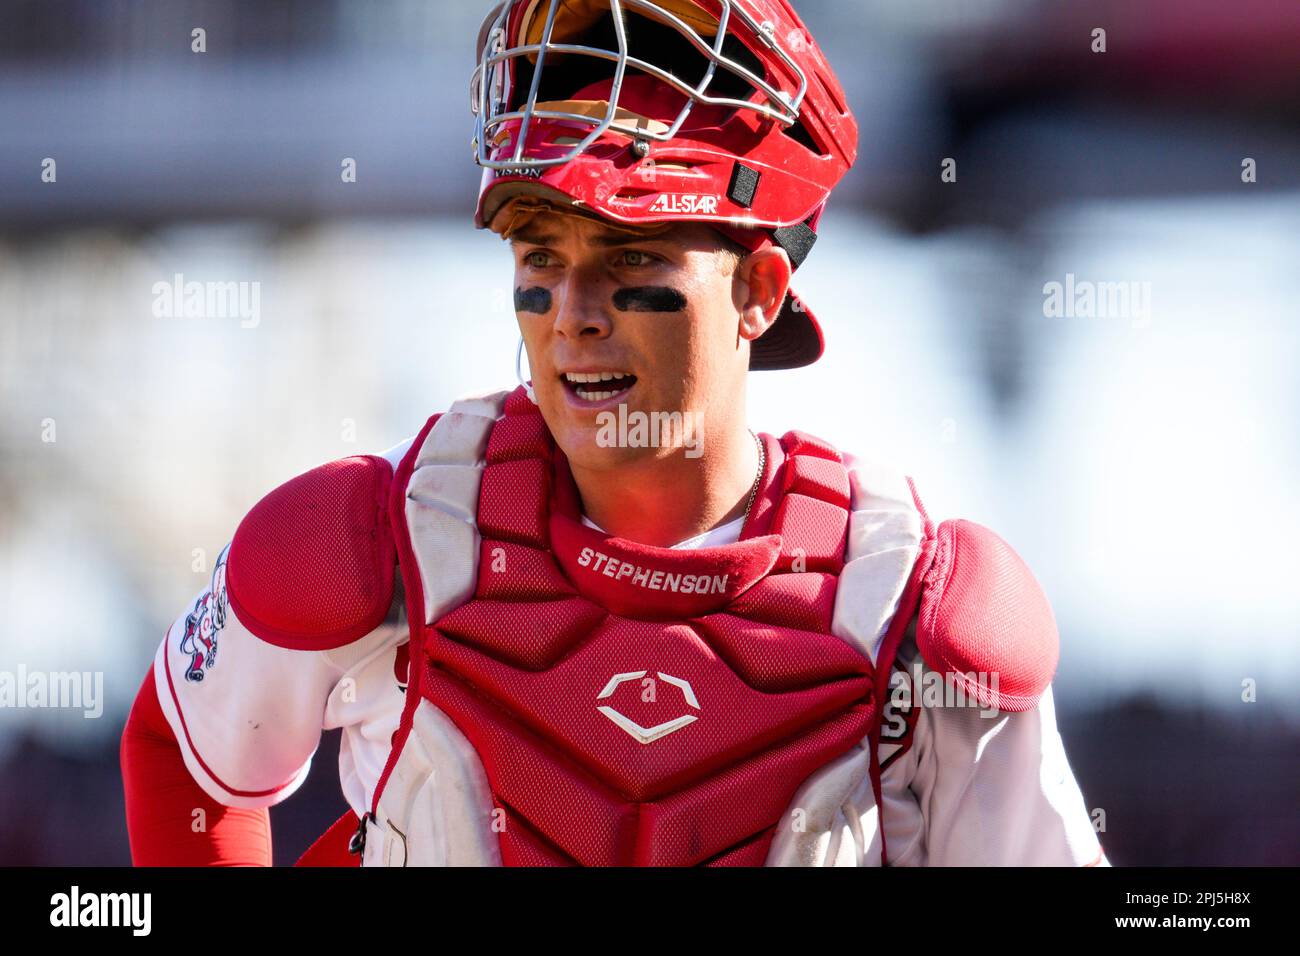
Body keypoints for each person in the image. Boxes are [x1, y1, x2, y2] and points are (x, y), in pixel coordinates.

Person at [121, 0, 1106, 867]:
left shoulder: (917, 610)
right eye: (540, 250)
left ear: (759, 290)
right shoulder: (366, 543)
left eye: (630, 250)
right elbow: (183, 758)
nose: (572, 312)